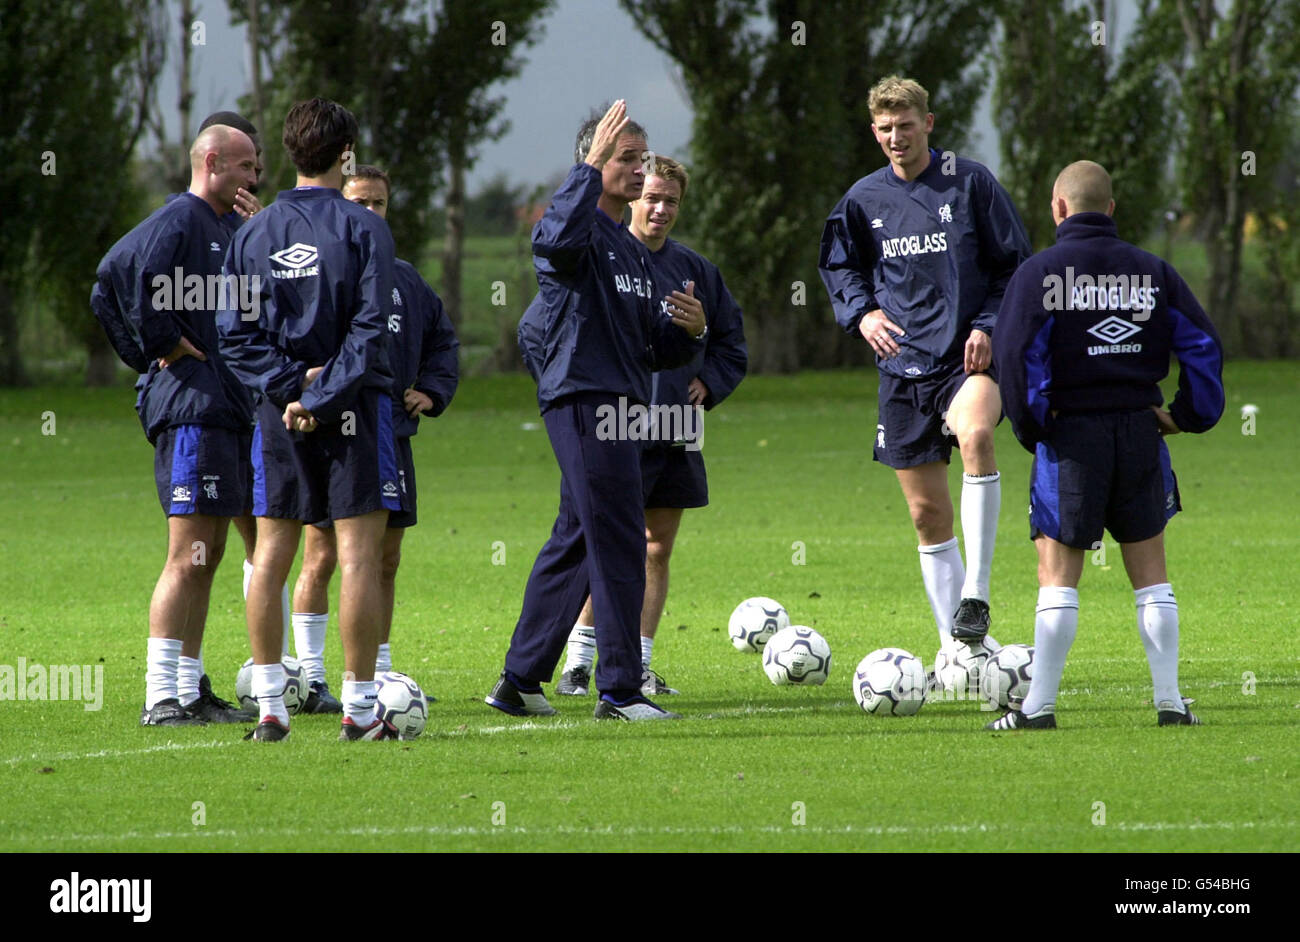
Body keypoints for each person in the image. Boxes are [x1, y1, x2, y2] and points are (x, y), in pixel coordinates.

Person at [488, 100, 705, 722]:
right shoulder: (578, 232)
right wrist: (585, 169)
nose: (639, 170)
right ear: (594, 161)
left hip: (622, 406)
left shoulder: (631, 248)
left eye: (642, 157)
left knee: (577, 539)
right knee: (618, 539)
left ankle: (520, 681)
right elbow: (549, 243)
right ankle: (619, 691)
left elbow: (650, 347)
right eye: (624, 158)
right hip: (586, 401)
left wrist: (691, 332)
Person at [988, 160, 1224, 730]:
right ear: (1111, 209)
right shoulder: (1153, 271)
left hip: (1071, 435)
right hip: (1140, 432)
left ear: (1058, 207)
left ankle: (1038, 709)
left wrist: (1033, 426)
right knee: (1151, 574)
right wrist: (1187, 415)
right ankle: (1170, 703)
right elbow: (1203, 344)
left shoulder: (1039, 273)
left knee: (1059, 574)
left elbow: (1014, 359)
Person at [818, 75, 1031, 654]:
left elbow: (1016, 265)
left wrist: (988, 325)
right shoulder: (861, 200)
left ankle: (977, 594)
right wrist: (861, 315)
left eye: (905, 125)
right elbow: (839, 266)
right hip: (901, 368)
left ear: (928, 124)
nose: (895, 137)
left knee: (978, 433)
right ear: (874, 131)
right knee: (926, 515)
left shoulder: (971, 181)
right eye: (885, 128)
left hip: (967, 358)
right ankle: (957, 649)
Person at [218, 98, 403, 741]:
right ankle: (358, 713)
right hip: (355, 407)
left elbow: (233, 335)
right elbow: (370, 328)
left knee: (271, 556)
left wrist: (290, 389)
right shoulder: (367, 228)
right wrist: (318, 392)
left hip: (278, 415)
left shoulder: (251, 232)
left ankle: (270, 709)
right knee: (357, 558)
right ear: (344, 153)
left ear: (290, 154)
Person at [548, 155, 748, 698]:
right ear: (634, 197)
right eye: (652, 198)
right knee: (604, 540)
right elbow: (545, 326)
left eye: (671, 202)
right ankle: (579, 661)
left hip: (676, 425)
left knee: (656, 548)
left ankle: (638, 664)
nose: (660, 209)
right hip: (613, 423)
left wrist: (709, 378)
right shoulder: (606, 258)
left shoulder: (697, 271)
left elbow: (732, 343)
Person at [90, 124, 260, 726]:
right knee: (186, 555)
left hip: (228, 408)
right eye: (244, 165)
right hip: (191, 408)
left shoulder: (228, 227)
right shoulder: (182, 218)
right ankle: (161, 695)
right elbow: (113, 277)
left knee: (208, 553)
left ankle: (189, 690)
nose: (252, 176)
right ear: (211, 161)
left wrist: (259, 228)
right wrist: (156, 348)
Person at [290, 165, 459, 704]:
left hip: (388, 435)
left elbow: (443, 340)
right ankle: (313, 677)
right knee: (321, 555)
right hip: (329, 430)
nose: (368, 212)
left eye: (379, 204)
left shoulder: (405, 279)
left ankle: (379, 672)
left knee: (386, 557)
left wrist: (430, 390)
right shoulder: (320, 273)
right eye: (358, 201)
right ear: (339, 204)